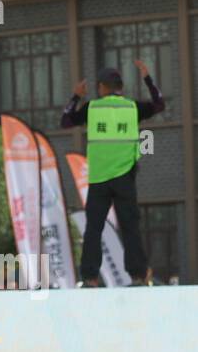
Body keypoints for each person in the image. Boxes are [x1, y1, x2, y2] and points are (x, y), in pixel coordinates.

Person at [62, 61, 165, 287]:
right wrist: (148, 79)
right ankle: (138, 275)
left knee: (94, 228)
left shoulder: (92, 108)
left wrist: (76, 97)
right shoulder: (132, 107)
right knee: (130, 226)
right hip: (124, 177)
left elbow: (66, 120)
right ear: (120, 87)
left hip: (99, 178)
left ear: (101, 87)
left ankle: (89, 278)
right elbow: (159, 104)